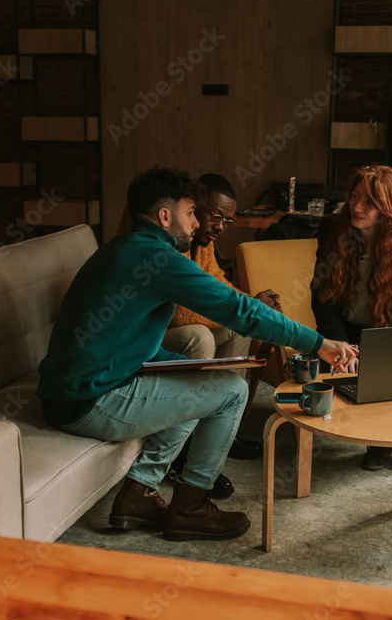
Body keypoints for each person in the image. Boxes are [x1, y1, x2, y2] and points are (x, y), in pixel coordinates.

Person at [38, 166, 358, 542]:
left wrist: (185, 365)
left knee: (196, 376)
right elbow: (243, 311)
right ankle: (189, 508)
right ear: (164, 216)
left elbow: (121, 340)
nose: (195, 224)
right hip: (86, 401)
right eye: (191, 213)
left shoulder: (123, 248)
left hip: (74, 390)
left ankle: (138, 494)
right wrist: (320, 344)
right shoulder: (160, 260)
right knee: (232, 393)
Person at [310, 164, 392, 477]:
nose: (356, 206)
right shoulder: (332, 231)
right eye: (354, 197)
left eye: (368, 202)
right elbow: (322, 294)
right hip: (346, 330)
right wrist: (340, 344)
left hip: (388, 331)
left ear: (388, 209)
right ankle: (381, 439)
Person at [162, 172, 280, 473]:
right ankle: (184, 449)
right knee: (200, 334)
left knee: (240, 323)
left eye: (228, 221)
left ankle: (224, 428)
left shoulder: (203, 243)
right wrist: (241, 306)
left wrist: (248, 303)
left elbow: (218, 284)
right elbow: (179, 312)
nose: (220, 227)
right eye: (216, 217)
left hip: (180, 326)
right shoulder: (174, 241)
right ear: (193, 207)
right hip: (156, 330)